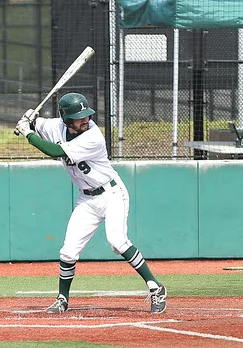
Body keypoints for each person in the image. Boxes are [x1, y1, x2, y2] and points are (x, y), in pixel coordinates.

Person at [15, 92, 167, 314]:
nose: (85, 119)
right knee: (68, 252)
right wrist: (30, 119)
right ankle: (61, 299)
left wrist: (27, 132)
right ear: (67, 120)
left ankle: (156, 288)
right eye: (80, 117)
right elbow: (39, 124)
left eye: (86, 115)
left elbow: (54, 150)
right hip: (86, 198)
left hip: (111, 193)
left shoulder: (93, 136)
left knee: (117, 241)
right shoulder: (56, 127)